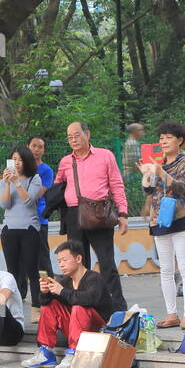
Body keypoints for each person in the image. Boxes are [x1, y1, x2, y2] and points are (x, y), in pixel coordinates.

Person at [54, 120, 128, 311]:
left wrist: (123, 213)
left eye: (76, 135)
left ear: (87, 134)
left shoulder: (105, 156)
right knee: (77, 265)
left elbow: (117, 185)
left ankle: (117, 308)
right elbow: (58, 185)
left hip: (99, 214)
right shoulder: (65, 161)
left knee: (107, 263)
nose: (73, 140)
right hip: (73, 215)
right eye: (69, 137)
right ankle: (82, 305)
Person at [21, 240, 115, 368]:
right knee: (50, 306)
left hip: (98, 331)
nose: (61, 264)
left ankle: (74, 354)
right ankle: (46, 352)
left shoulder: (94, 278)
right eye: (59, 261)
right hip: (76, 328)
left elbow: (89, 299)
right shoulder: (65, 281)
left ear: (78, 258)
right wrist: (45, 293)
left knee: (79, 306)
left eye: (64, 260)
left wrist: (62, 291)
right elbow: (47, 303)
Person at [140, 122, 185, 329]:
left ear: (179, 140)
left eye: (168, 137)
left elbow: (182, 188)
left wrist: (160, 172)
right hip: (159, 220)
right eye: (161, 138)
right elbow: (150, 192)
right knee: (165, 269)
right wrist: (147, 176)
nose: (163, 141)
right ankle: (171, 314)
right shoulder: (159, 163)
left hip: (179, 218)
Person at [0, 144, 46, 310]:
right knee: (12, 271)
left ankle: (36, 308)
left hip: (29, 229)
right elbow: (4, 203)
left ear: (27, 161)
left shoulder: (35, 179)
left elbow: (28, 201)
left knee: (32, 270)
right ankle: (14, 306)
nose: (16, 163)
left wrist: (17, 182)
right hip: (9, 229)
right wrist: (7, 183)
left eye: (20, 159)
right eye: (14, 159)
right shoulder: (5, 180)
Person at [27, 135, 56, 285]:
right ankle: (21, 292)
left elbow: (39, 193)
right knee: (24, 257)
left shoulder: (46, 170)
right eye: (34, 146)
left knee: (42, 256)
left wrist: (22, 195)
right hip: (20, 219)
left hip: (38, 217)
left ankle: (49, 286)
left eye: (40, 147)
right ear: (27, 147)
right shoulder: (19, 168)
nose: (37, 150)